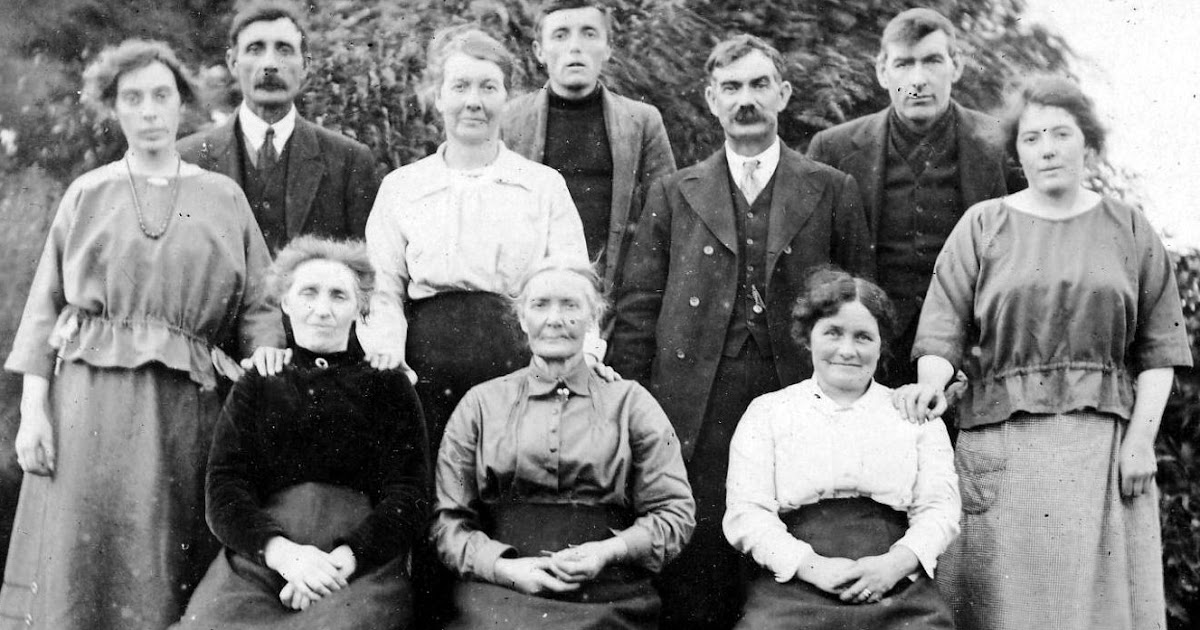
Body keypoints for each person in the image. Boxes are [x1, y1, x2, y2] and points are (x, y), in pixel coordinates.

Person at [0, 40, 285, 630]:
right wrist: (33, 413)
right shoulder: (88, 192)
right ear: (115, 109)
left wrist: (265, 389)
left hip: (185, 410)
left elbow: (261, 307)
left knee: (165, 552)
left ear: (183, 104)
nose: (150, 111)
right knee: (83, 555)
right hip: (88, 406)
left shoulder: (223, 197)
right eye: (134, 99)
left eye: (162, 96)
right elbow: (44, 309)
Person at [898, 75, 1192, 630]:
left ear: (1088, 141)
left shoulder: (1129, 228)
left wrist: (1140, 444)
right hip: (1000, 451)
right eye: (1032, 138)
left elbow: (1159, 350)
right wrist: (933, 383)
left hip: (1100, 452)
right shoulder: (982, 225)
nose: (1048, 148)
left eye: (1061, 133)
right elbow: (941, 334)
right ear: (1016, 151)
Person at [609, 34, 874, 630]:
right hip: (697, 400)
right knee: (698, 558)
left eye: (759, 85)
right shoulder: (674, 193)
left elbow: (862, 308)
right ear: (710, 99)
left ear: (782, 93)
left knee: (791, 543)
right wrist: (630, 409)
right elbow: (636, 310)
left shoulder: (832, 190)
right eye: (731, 88)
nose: (745, 100)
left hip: (796, 392)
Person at [172, 236, 428, 629]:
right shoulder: (260, 380)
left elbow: (408, 494)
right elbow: (225, 488)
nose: (322, 310)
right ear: (286, 303)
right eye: (309, 293)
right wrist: (286, 557)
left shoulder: (387, 384)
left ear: (360, 307)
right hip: (266, 558)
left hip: (359, 562)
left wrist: (341, 562)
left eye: (339, 296)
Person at [362, 25, 593, 448]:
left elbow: (574, 284)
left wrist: (583, 360)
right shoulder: (402, 187)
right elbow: (383, 289)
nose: (473, 101)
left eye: (488, 87)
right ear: (439, 96)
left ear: (507, 97)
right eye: (460, 86)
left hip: (518, 370)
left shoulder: (542, 186)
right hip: (424, 374)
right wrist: (389, 359)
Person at [432, 258, 695, 629]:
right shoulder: (480, 404)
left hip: (608, 595)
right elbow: (448, 522)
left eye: (570, 305)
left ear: (594, 320)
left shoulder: (631, 403)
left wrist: (607, 552)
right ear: (522, 319)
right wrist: (505, 568)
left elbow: (675, 513)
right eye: (540, 305)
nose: (555, 318)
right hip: (499, 596)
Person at [724, 268, 959, 630]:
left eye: (863, 337)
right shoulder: (769, 412)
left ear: (881, 346)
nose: (847, 350)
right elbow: (747, 514)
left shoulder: (914, 417)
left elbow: (940, 511)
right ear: (808, 338)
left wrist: (895, 564)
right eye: (832, 333)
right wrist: (812, 567)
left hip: (895, 583)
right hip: (797, 582)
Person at [806, 7, 1009, 386]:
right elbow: (814, 262)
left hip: (973, 358)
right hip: (868, 355)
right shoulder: (833, 149)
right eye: (903, 64)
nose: (918, 80)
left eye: (932, 61)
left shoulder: (1001, 145)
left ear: (956, 65)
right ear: (883, 71)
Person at [501, 0, 676, 299]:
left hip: (618, 300)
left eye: (589, 33)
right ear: (539, 51)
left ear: (607, 48)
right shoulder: (509, 121)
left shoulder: (642, 122)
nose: (575, 47)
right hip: (532, 299)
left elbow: (666, 221)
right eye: (560, 35)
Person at [178, 0, 380, 254]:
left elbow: (363, 267)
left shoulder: (349, 161)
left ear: (305, 64)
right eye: (255, 49)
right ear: (232, 62)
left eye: (284, 50)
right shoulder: (189, 160)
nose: (270, 64)